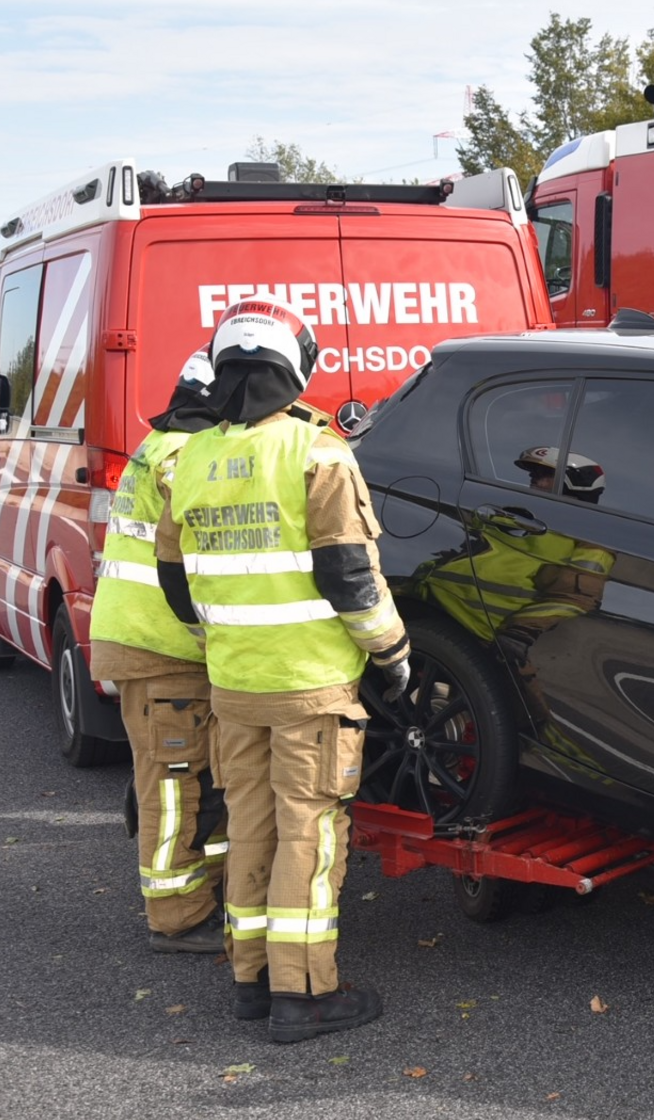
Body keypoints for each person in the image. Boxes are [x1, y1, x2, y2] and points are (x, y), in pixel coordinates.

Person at [155, 294, 411, 1043]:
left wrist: (226, 638)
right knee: (311, 832)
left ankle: (252, 980)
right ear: (294, 367)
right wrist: (391, 652)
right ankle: (305, 994)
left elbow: (177, 583)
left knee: (251, 828)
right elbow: (351, 578)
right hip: (311, 687)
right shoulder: (318, 452)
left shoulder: (193, 456)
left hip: (236, 685)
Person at [87, 348, 227, 954]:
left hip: (153, 644)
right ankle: (177, 917)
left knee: (189, 777)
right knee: (175, 786)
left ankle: (202, 891)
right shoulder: (186, 457)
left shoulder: (158, 443)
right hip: (161, 648)